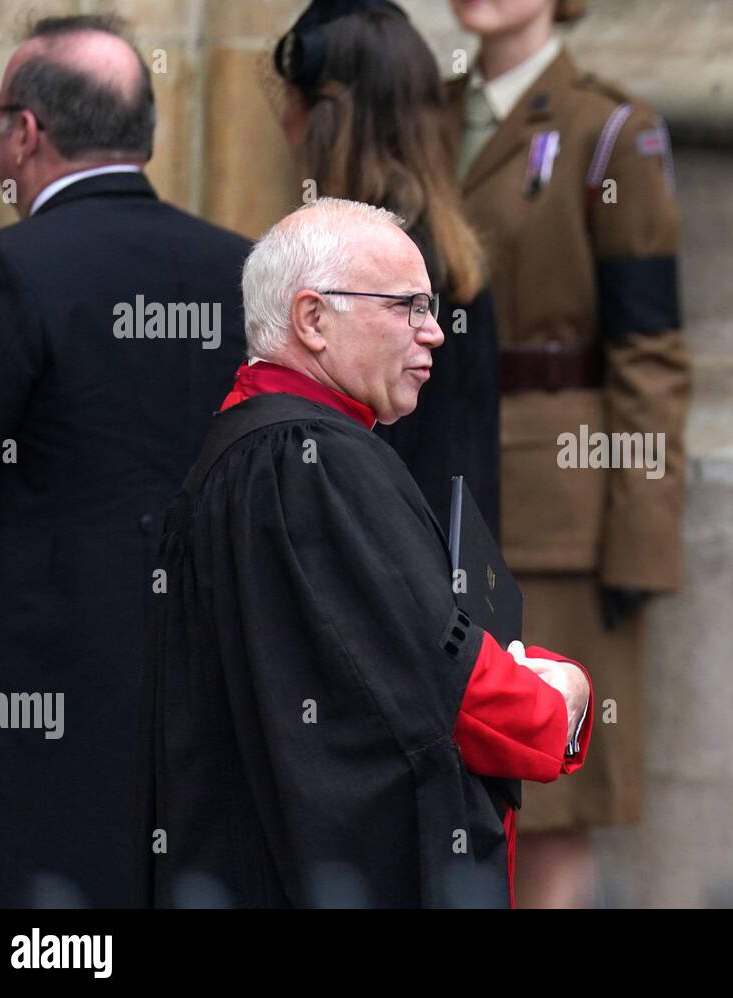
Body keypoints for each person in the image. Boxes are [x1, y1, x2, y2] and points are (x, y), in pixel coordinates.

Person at [134, 197, 592, 908]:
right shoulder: (317, 463)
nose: (435, 332)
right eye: (407, 307)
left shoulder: (248, 445)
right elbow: (444, 697)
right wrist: (559, 698)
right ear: (313, 320)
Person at [0, 13, 250, 907]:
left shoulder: (6, 271)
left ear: (26, 132)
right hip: (209, 671)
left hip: (36, 684)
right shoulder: (240, 267)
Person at [446, 0, 690, 908]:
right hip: (430, 468)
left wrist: (641, 534)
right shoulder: (423, 113)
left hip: (553, 495)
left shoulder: (611, 130)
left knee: (548, 791)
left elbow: (649, 349)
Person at [272, 0, 500, 535]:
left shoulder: (360, 272)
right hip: (435, 581)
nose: (283, 121)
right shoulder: (449, 253)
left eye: (293, 101)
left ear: (325, 121)